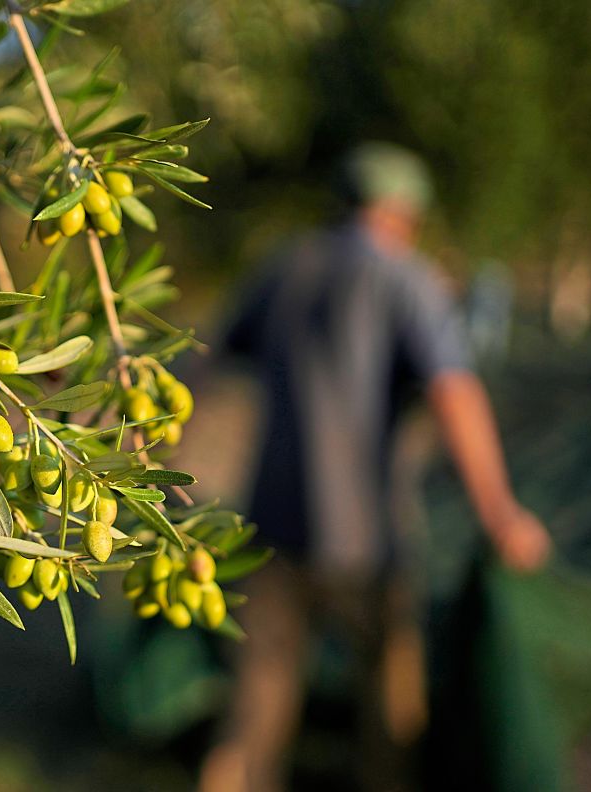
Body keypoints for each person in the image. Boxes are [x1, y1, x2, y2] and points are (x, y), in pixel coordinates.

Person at [200, 142, 552, 792]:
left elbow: (203, 363)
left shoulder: (284, 267)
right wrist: (500, 512)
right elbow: (456, 394)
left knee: (255, 708)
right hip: (365, 538)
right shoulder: (406, 278)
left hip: (270, 528)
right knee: (389, 707)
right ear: (402, 212)